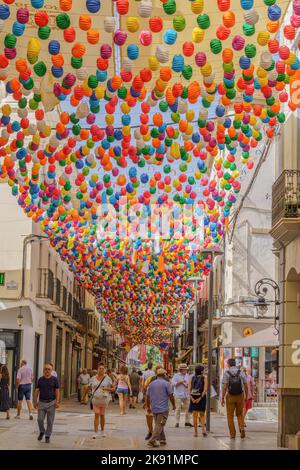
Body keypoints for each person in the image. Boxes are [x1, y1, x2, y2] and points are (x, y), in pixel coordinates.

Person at [146, 368, 176, 447]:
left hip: (154, 408)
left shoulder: (151, 384)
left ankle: (162, 439)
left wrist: (148, 406)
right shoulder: (166, 384)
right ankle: (152, 440)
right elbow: (171, 396)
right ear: (164, 375)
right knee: (160, 424)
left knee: (158, 424)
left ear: (157, 375)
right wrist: (174, 405)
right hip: (163, 409)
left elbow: (147, 396)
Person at [221, 358, 248, 439]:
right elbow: (246, 385)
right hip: (240, 395)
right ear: (235, 364)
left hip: (230, 396)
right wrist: (246, 395)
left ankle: (232, 434)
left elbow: (225, 386)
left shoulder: (226, 373)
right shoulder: (241, 372)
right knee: (240, 414)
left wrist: (222, 397)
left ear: (228, 364)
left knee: (230, 416)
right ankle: (241, 428)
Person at [33, 363, 60, 443]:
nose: (47, 371)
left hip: (51, 402)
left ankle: (47, 436)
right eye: (45, 369)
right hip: (41, 403)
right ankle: (42, 431)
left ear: (51, 370)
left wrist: (57, 401)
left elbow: (57, 391)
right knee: (40, 419)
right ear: (43, 370)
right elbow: (37, 390)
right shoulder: (40, 379)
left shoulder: (54, 379)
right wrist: (35, 401)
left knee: (50, 421)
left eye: (49, 369)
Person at [143, 363, 168, 441]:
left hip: (161, 403)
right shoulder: (150, 379)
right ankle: (150, 432)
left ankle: (159, 436)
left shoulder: (166, 379)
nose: (158, 370)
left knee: (159, 421)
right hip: (152, 402)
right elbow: (146, 390)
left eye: (160, 368)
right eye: (157, 369)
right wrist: (146, 403)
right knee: (149, 416)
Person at [89, 363, 113, 439]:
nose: (101, 370)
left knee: (102, 415)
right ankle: (95, 432)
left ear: (105, 370)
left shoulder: (108, 378)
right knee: (96, 414)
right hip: (95, 399)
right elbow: (89, 387)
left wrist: (108, 389)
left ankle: (102, 431)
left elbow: (113, 388)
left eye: (103, 369)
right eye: (100, 368)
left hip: (104, 400)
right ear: (97, 369)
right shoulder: (93, 378)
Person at [189, 365, 208, 437]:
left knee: (194, 416)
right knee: (202, 415)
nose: (204, 371)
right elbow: (205, 389)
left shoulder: (192, 378)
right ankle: (203, 430)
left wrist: (192, 398)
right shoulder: (205, 378)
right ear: (201, 371)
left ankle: (195, 432)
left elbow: (189, 389)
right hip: (202, 398)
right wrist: (200, 398)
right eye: (203, 370)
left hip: (193, 397)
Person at [172, 363, 192, 428]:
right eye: (184, 369)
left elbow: (189, 384)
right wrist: (179, 382)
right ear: (181, 370)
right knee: (178, 409)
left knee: (188, 408)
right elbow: (173, 383)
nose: (185, 371)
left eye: (186, 369)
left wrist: (188, 386)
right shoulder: (176, 376)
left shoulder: (188, 376)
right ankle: (177, 422)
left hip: (186, 394)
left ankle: (187, 422)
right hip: (178, 394)